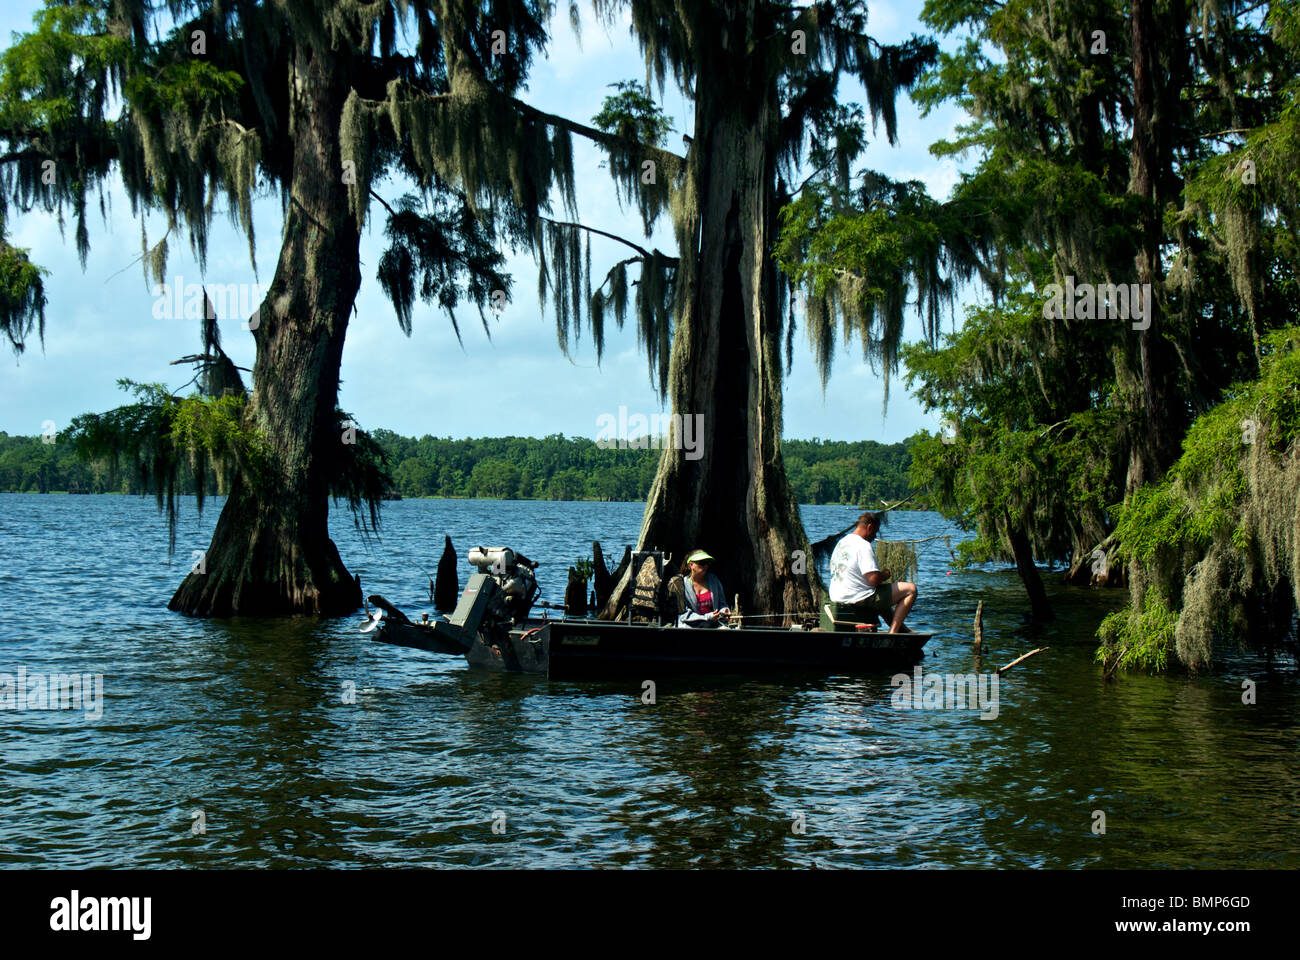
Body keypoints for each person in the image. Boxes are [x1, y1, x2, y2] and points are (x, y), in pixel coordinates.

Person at [828, 512, 917, 633]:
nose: (874, 537)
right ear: (869, 527)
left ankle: (902, 629)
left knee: (880, 594)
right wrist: (885, 574)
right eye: (875, 532)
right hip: (856, 597)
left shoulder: (842, 542)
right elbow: (874, 579)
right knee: (910, 589)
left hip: (837, 595)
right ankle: (893, 634)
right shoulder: (863, 545)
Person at [675, 549, 731, 627]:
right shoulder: (682, 584)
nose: (706, 566)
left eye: (708, 563)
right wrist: (707, 617)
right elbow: (683, 614)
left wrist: (724, 610)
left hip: (714, 625)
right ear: (691, 565)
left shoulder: (714, 580)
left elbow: (722, 603)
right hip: (689, 626)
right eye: (702, 563)